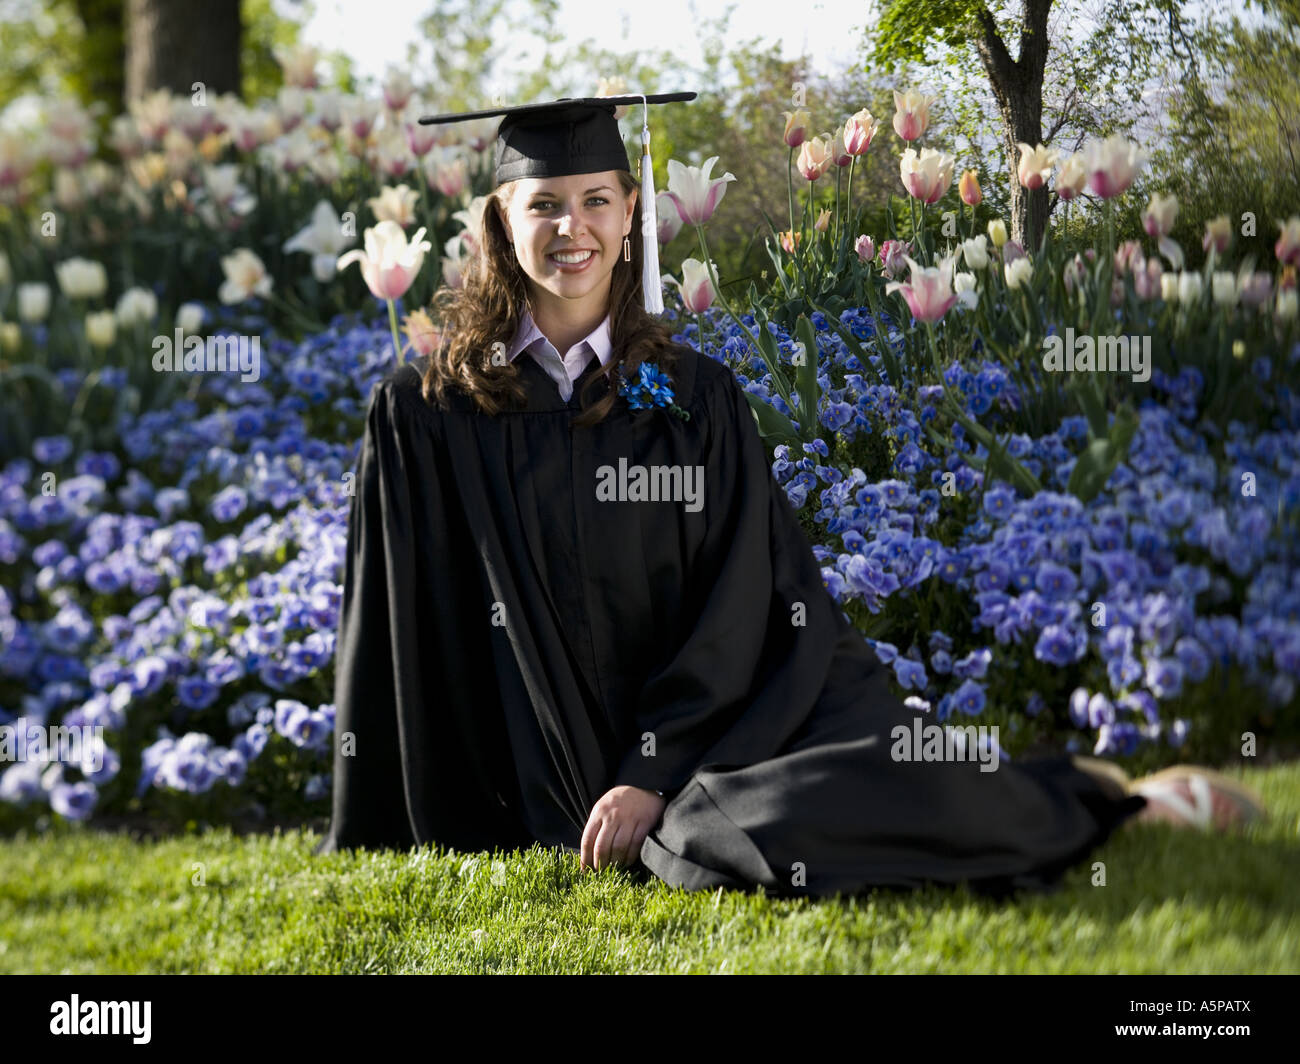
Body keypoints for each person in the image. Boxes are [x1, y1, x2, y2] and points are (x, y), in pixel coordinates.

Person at [313, 94, 1266, 898]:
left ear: (631, 210)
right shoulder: (429, 410)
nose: (573, 231)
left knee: (850, 800)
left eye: (595, 200)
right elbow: (405, 630)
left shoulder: (691, 398)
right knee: (726, 850)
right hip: (540, 787)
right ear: (498, 218)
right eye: (544, 206)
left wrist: (650, 769)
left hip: (708, 744)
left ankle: (1112, 797)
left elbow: (742, 597)